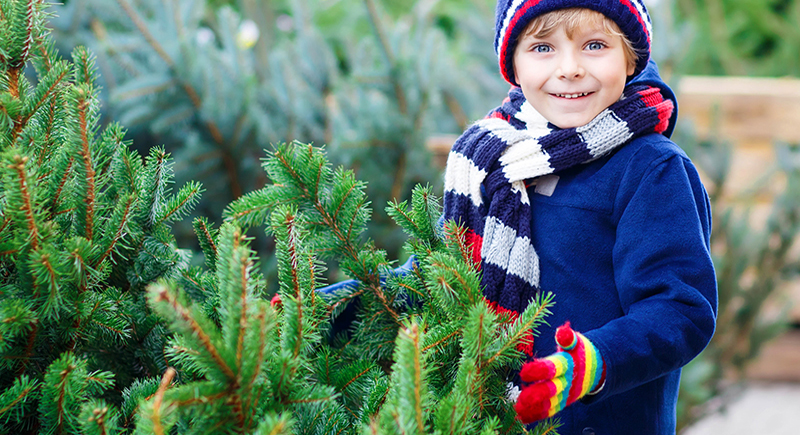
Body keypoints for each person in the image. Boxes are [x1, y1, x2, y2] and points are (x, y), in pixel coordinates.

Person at [442, 1, 718, 433]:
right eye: (542, 48)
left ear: (630, 58)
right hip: (494, 419)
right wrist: (343, 301)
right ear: (512, 63)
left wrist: (594, 363)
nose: (569, 68)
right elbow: (447, 269)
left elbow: (680, 309)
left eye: (594, 45)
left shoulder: (649, 169)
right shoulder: (495, 160)